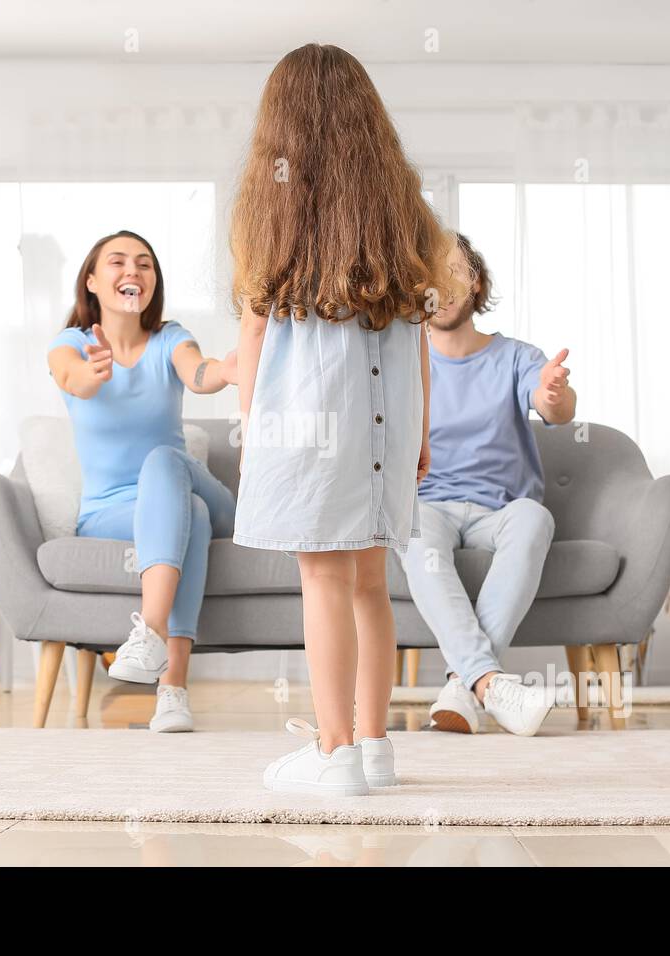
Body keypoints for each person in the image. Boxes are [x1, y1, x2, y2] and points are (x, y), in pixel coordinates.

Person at [231, 44, 464, 795]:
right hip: (385, 422)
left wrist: (251, 428)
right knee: (369, 581)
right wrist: (421, 429)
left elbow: (258, 330)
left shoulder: (272, 204)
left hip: (307, 419)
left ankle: (332, 756)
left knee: (321, 579)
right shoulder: (406, 209)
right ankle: (373, 745)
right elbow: (422, 326)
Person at [47, 230, 238, 733]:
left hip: (194, 487)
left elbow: (198, 373)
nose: (133, 271)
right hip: (111, 512)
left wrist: (227, 369)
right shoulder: (74, 344)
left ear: (153, 282)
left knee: (165, 463)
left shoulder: (169, 338)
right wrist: (94, 374)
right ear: (92, 280)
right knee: (188, 516)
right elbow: (73, 379)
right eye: (117, 262)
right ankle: (172, 691)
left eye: (145, 264)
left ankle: (150, 631)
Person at [400, 233, 576, 737]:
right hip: (429, 506)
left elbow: (555, 408)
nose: (444, 284)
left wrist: (552, 393)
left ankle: (465, 683)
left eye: (455, 270)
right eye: (431, 273)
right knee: (409, 528)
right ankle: (491, 686)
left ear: (475, 282)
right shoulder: (403, 362)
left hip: (502, 510)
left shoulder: (516, 356)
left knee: (534, 518)